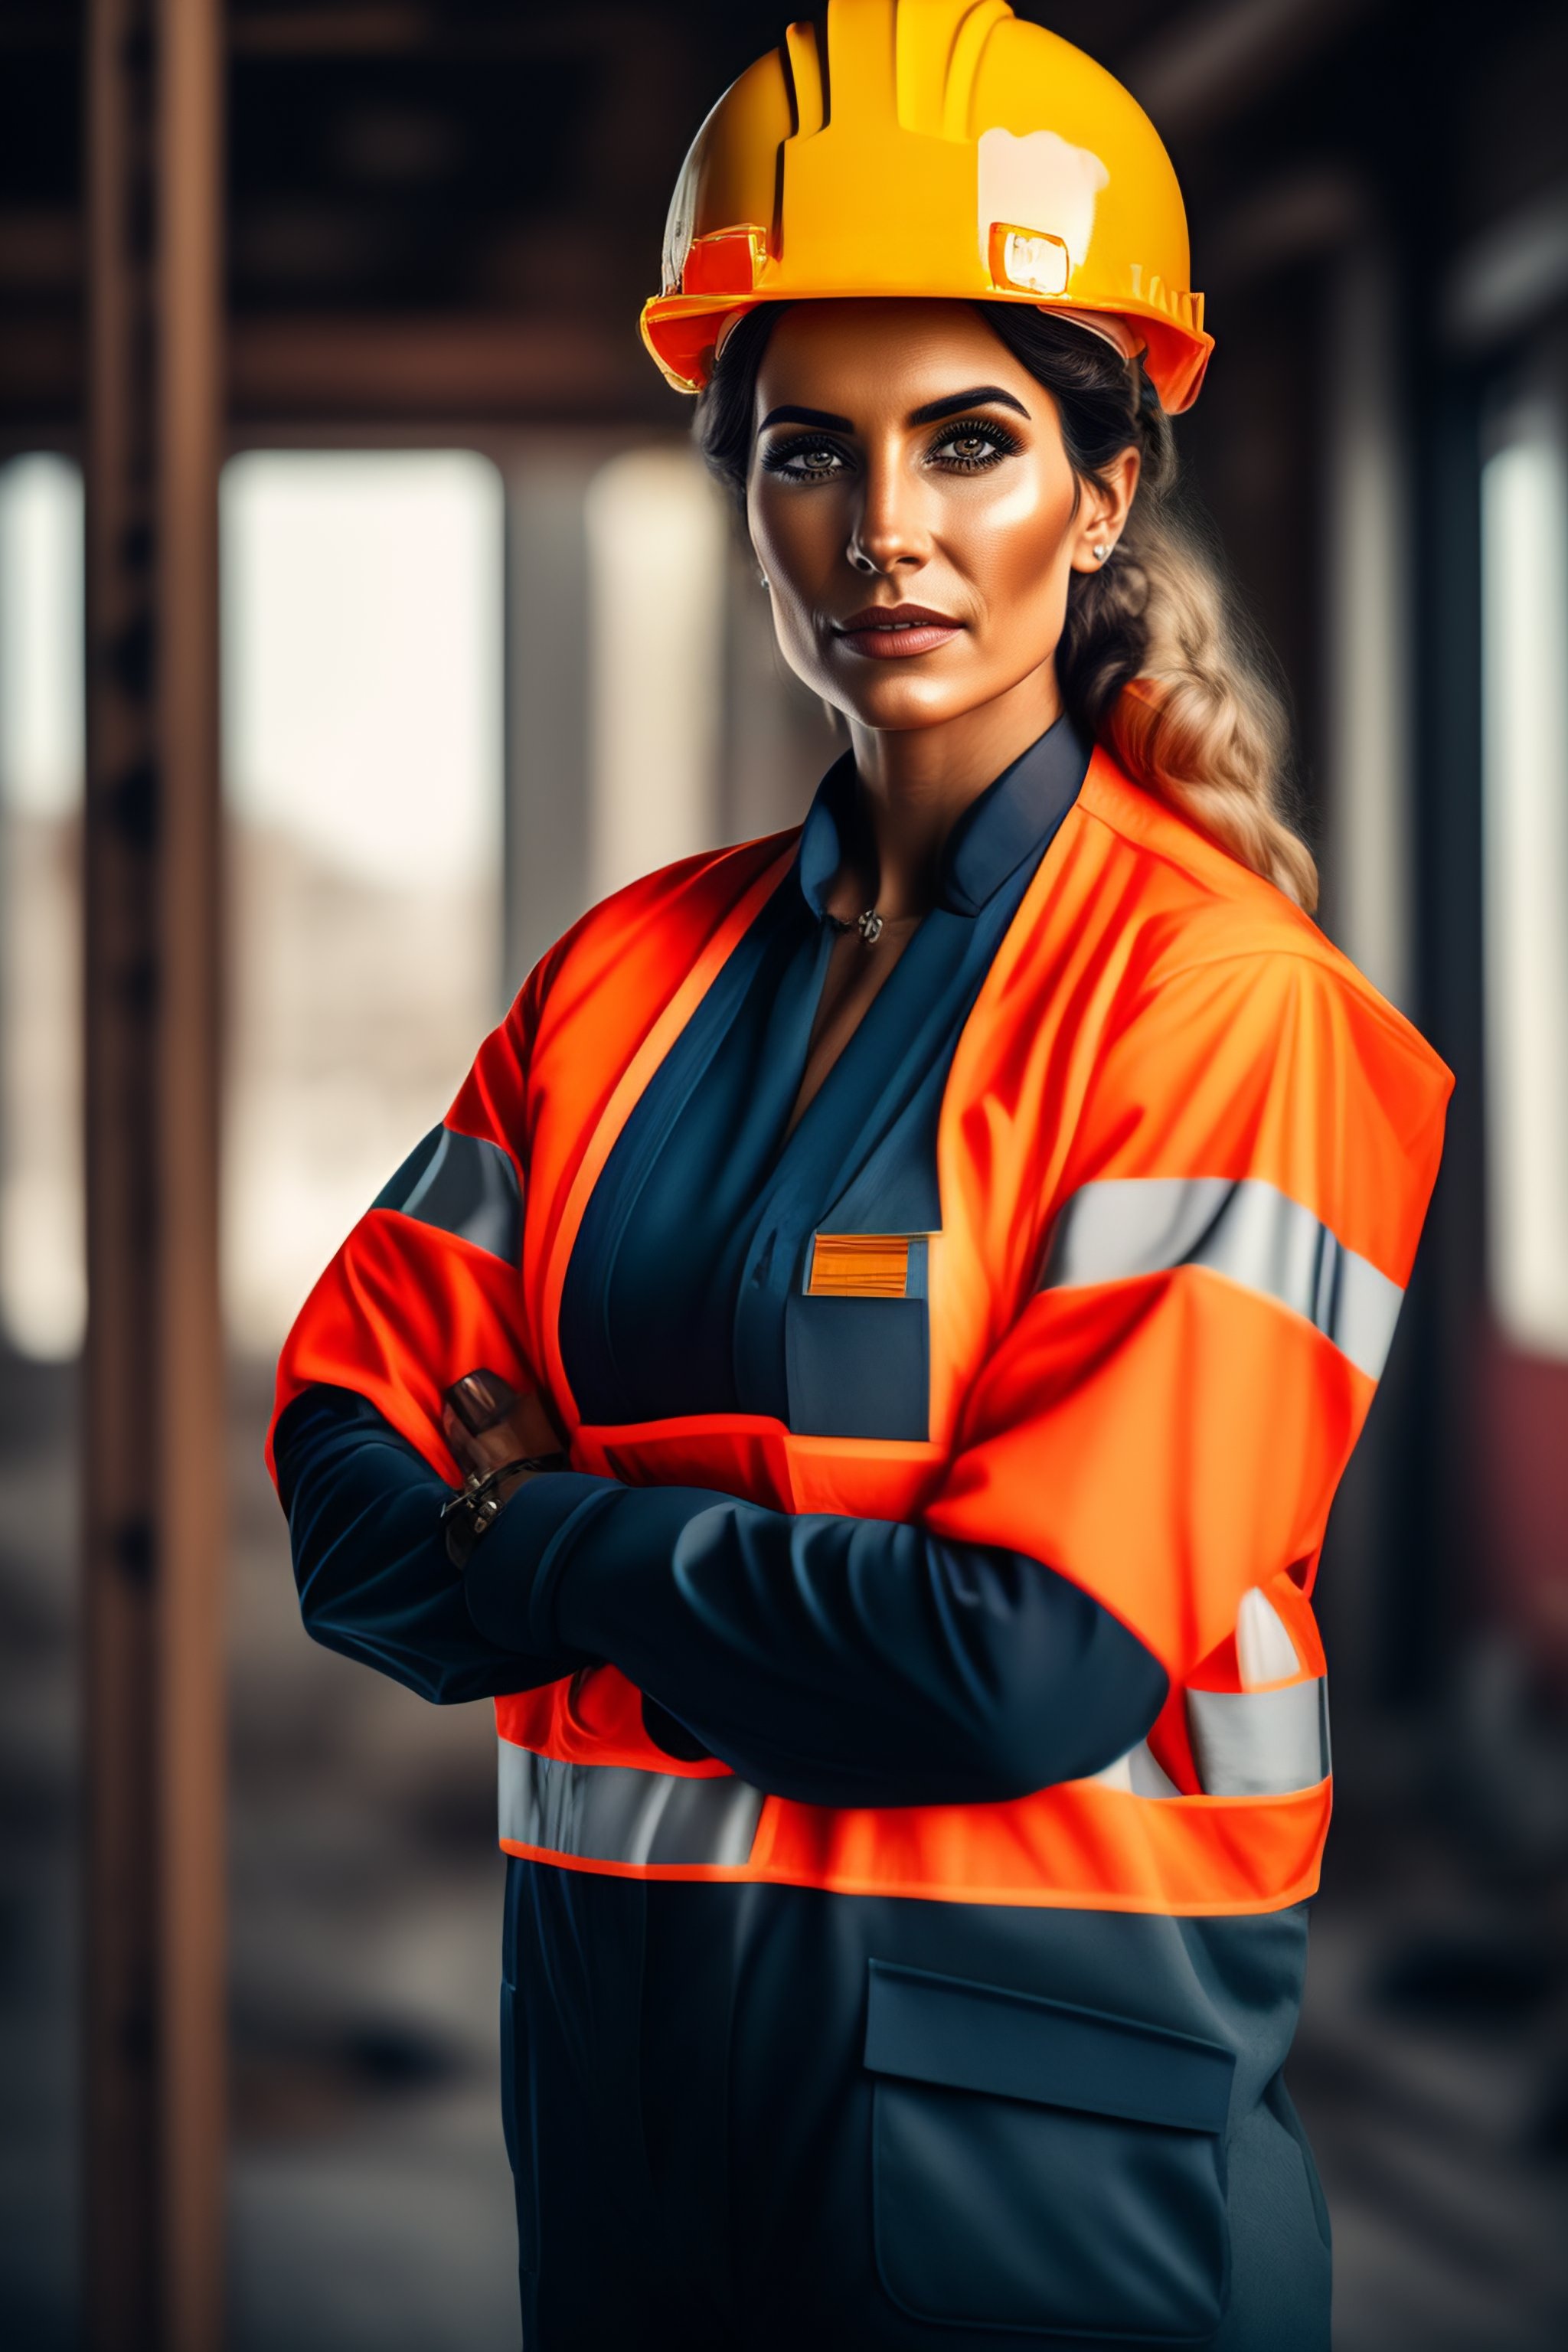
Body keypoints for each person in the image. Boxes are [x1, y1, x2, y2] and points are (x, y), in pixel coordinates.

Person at [267, 5, 1452, 2345]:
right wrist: (797, 1564)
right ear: (745, 490)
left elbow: (1022, 1665)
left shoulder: (1220, 1012)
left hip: (1050, 2206)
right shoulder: (622, 979)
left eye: (972, 442)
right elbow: (340, 1487)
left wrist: (555, 1522)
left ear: (1104, 490)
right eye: (812, 450)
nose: (885, 530)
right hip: (626, 2144)